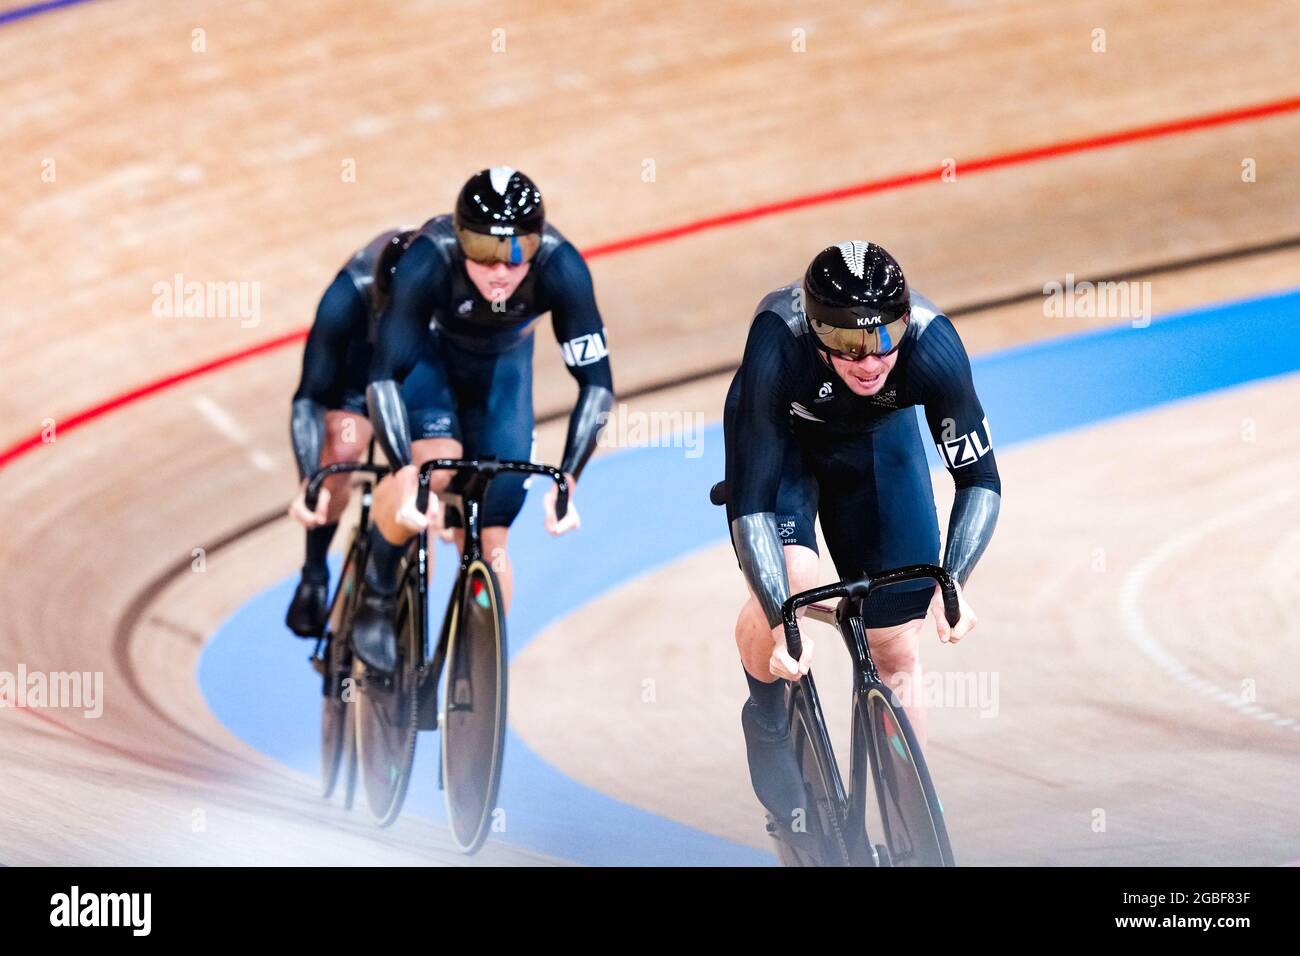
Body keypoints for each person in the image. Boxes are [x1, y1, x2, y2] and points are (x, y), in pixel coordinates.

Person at [722, 240, 1000, 832]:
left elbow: (979, 478)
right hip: (785, 443)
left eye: (884, 338)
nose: (871, 361)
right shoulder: (778, 341)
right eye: (849, 344)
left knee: (897, 647)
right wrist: (782, 619)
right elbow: (751, 508)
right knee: (793, 582)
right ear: (818, 332)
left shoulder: (932, 344)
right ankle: (767, 713)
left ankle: (912, 825)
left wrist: (953, 580)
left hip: (874, 440)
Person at [352, 167, 614, 672]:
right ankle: (378, 591)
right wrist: (405, 468)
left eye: (516, 251)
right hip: (430, 360)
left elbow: (597, 384)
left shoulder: (563, 268)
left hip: (501, 369)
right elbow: (384, 376)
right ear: (458, 238)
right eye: (482, 248)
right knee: (438, 468)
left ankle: (477, 675)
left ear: (538, 244)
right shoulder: (430, 256)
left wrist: (570, 480)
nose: (499, 269)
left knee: (494, 527)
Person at [285, 227, 417, 637]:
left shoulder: (451, 293)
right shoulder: (346, 297)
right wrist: (313, 477)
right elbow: (309, 398)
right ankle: (315, 572)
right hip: (359, 376)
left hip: (418, 377)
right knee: (342, 450)